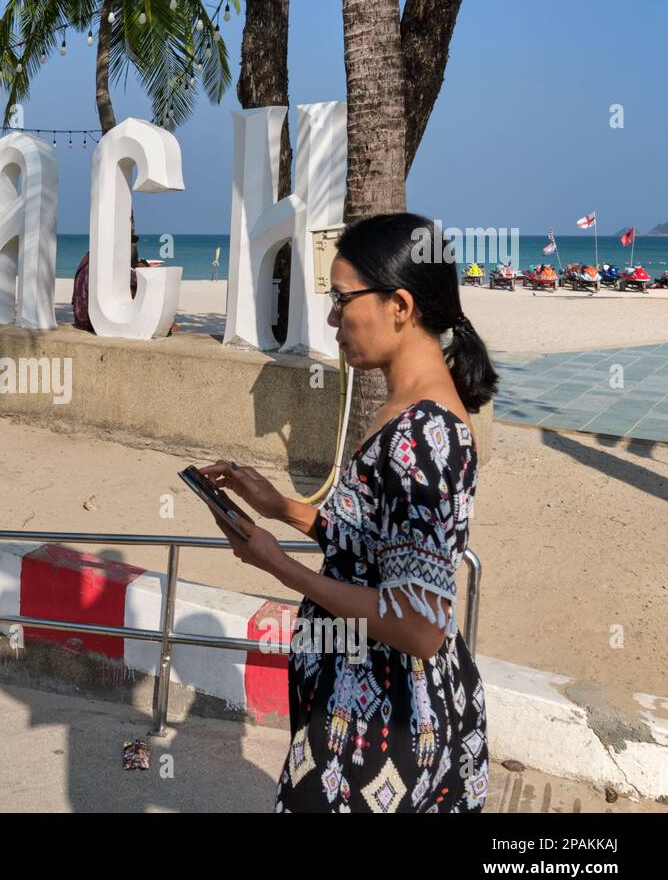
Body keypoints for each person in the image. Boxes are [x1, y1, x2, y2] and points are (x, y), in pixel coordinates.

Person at [199, 212, 497, 812]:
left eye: (342, 300)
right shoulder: (406, 406)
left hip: (381, 725)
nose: (332, 319)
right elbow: (374, 549)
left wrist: (280, 567)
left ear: (401, 306)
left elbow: (418, 624)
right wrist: (280, 507)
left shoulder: (425, 432)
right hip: (362, 704)